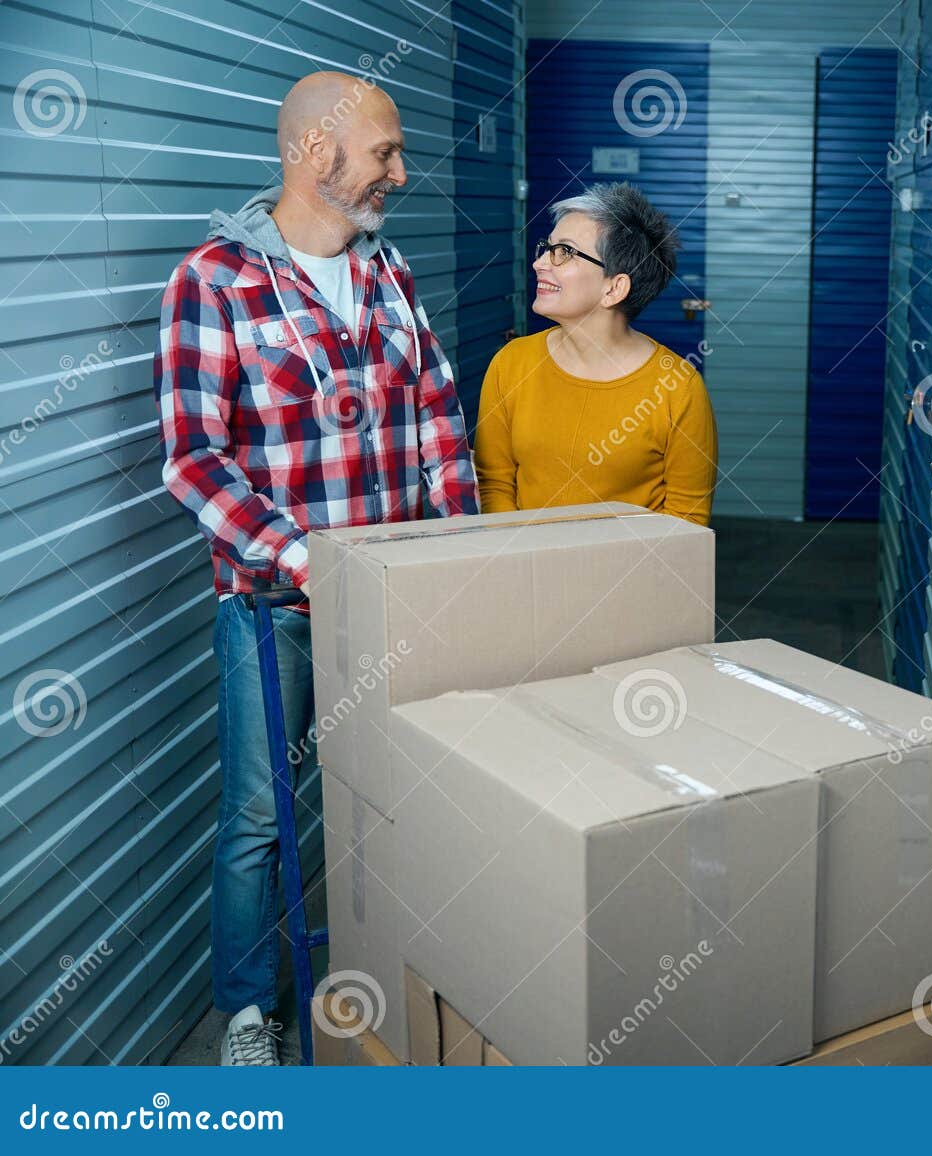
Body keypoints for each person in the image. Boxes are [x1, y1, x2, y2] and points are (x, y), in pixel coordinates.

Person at [154, 72, 478, 1065]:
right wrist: (306, 560)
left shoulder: (390, 276)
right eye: (384, 151)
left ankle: (409, 966)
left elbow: (436, 425)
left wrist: (460, 552)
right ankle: (249, 1011)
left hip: (400, 592)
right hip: (274, 608)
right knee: (261, 812)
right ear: (312, 152)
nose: (400, 171)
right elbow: (193, 459)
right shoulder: (214, 280)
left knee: (406, 786)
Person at [473, 183, 717, 524]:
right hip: (526, 570)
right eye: (547, 247)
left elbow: (686, 518)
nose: (540, 262)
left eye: (565, 252)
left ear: (614, 288)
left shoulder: (677, 387)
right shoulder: (511, 363)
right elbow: (494, 486)